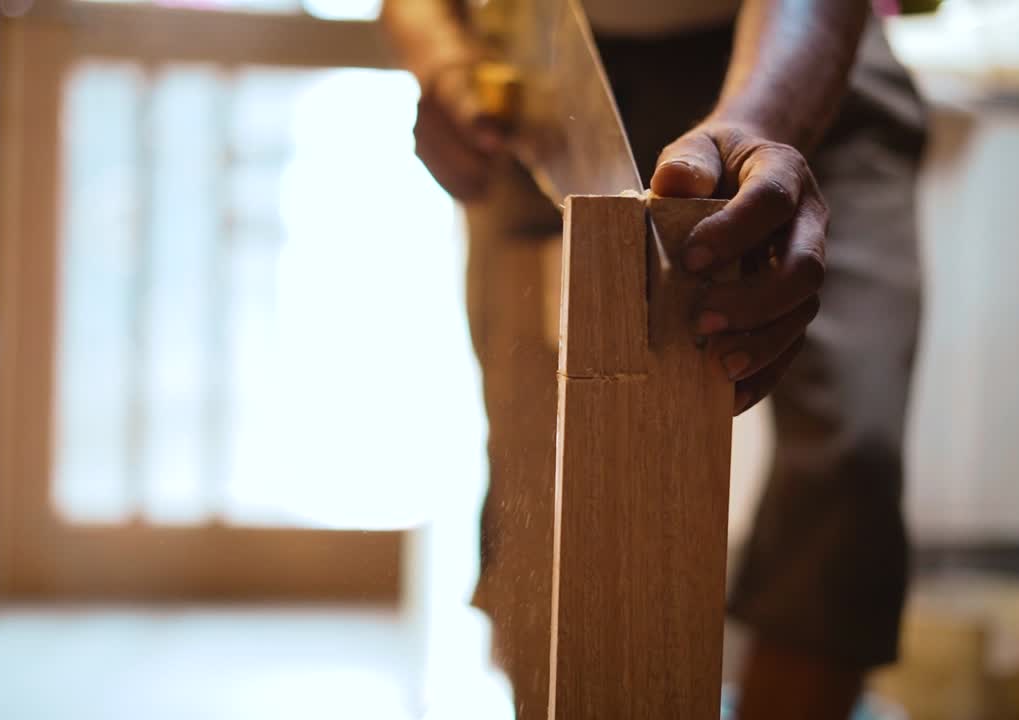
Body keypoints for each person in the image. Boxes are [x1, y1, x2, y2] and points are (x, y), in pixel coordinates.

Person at [381, 0, 925, 717]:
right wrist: (445, 62)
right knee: (545, 503)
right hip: (543, 80)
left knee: (851, 463)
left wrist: (765, 119)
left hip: (801, 53)